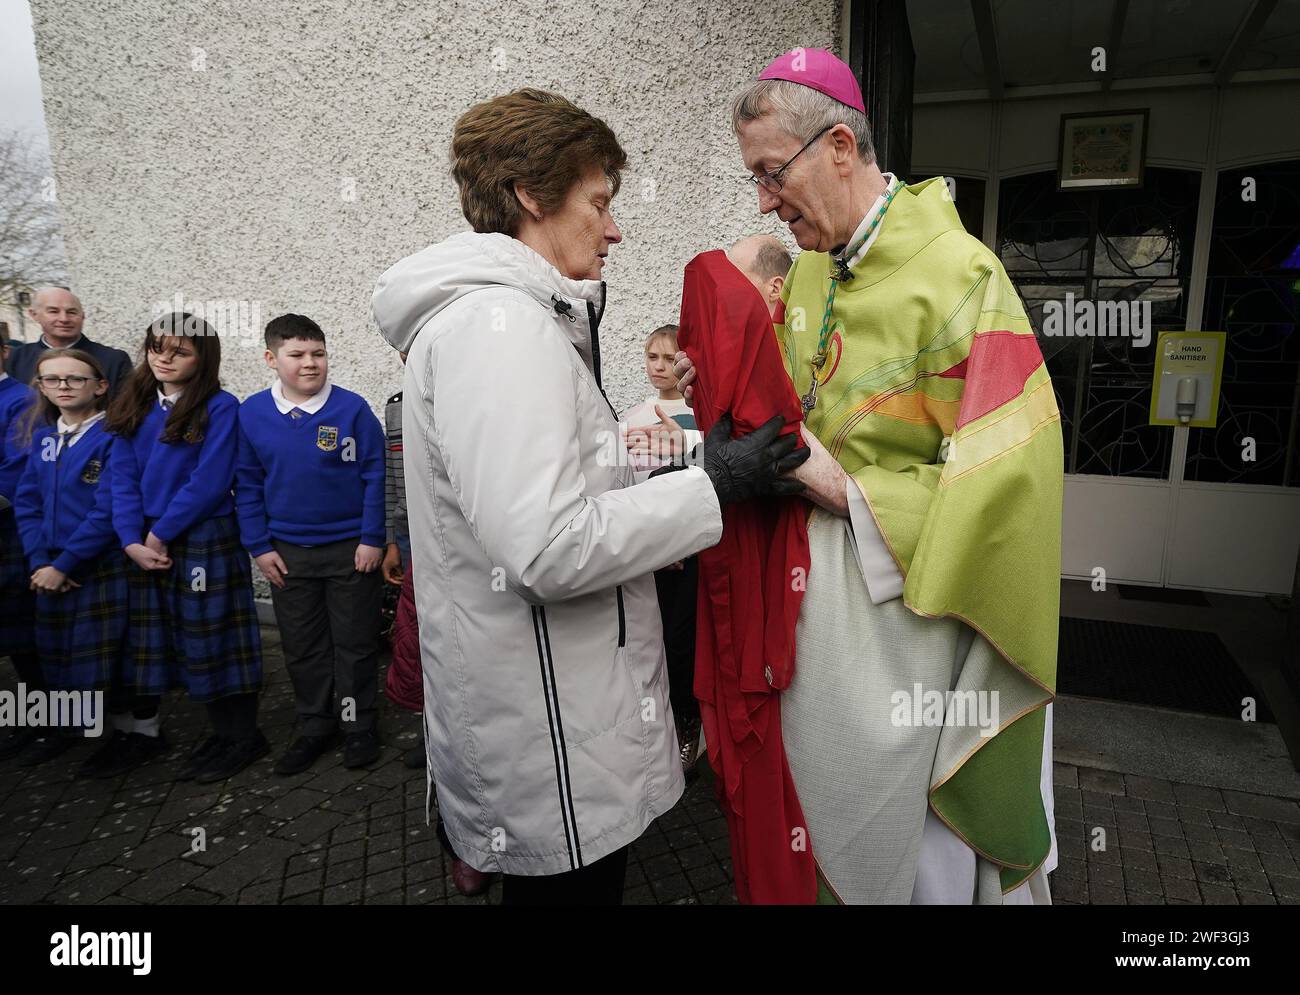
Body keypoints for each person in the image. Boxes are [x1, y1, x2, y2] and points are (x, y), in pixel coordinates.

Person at [372, 87, 807, 905]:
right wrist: (713, 486)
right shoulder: (497, 330)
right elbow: (546, 543)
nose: (616, 228)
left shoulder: (520, 318)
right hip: (550, 740)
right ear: (533, 196)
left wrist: (679, 464)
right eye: (600, 202)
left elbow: (568, 478)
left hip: (555, 718)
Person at [675, 48, 1062, 904]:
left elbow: (1011, 484)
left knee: (920, 855)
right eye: (757, 181)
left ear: (840, 146)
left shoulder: (965, 279)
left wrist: (845, 488)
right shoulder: (810, 270)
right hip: (814, 615)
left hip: (916, 622)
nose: (766, 201)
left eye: (773, 174)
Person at [107, 312, 266, 781]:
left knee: (214, 635)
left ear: (203, 358)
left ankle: (242, 736)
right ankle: (214, 733)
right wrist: (130, 539)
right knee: (173, 639)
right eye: (158, 347)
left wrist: (160, 534)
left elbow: (210, 481)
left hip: (202, 535)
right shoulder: (132, 403)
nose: (165, 358)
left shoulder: (220, 406)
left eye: (180, 351)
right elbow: (121, 480)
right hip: (144, 541)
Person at [236, 314, 385, 774]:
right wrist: (259, 546)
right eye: (297, 355)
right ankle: (315, 727)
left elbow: (375, 475)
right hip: (287, 552)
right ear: (271, 358)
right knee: (302, 645)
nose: (310, 363)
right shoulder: (252, 414)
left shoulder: (352, 409)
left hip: (350, 551)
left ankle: (358, 726)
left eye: (318, 353)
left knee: (355, 642)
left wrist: (372, 538)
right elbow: (246, 482)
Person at [12, 349, 129, 774]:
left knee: (99, 657)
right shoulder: (43, 439)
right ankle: (64, 730)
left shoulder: (113, 438)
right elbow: (27, 503)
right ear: (40, 386)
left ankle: (118, 736)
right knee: (56, 653)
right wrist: (41, 561)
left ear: (99, 386)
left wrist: (67, 564)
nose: (63, 386)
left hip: (94, 565)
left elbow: (108, 511)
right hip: (48, 566)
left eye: (74, 379)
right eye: (52, 379)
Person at [0, 333, 41, 761]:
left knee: (24, 637)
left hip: (9, 531)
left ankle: (51, 724)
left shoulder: (20, 400)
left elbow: (16, 473)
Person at [7, 287, 133, 392]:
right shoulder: (15, 358)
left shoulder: (114, 360)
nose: (64, 319)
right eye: (54, 311)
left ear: (83, 316)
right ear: (34, 314)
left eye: (72, 312)